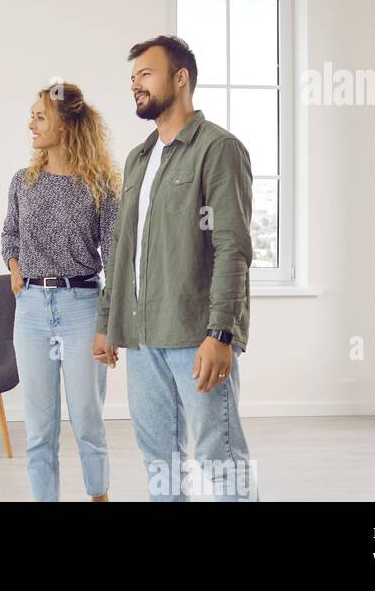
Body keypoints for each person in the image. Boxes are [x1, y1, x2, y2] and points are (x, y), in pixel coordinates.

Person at [93, 36, 258, 501]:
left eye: (145, 74)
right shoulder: (138, 158)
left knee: (219, 456)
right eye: (132, 78)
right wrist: (108, 323)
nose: (135, 86)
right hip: (143, 340)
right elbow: (123, 246)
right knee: (159, 459)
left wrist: (221, 333)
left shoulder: (219, 149)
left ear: (180, 78)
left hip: (195, 336)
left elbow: (233, 248)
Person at [2, 83, 120, 502]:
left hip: (83, 307)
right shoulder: (23, 180)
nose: (30, 124)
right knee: (39, 427)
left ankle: (98, 495)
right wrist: (16, 270)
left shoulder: (102, 184)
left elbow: (117, 254)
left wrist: (110, 327)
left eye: (39, 116)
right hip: (31, 309)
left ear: (65, 124)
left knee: (87, 419)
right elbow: (10, 236)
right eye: (32, 115)